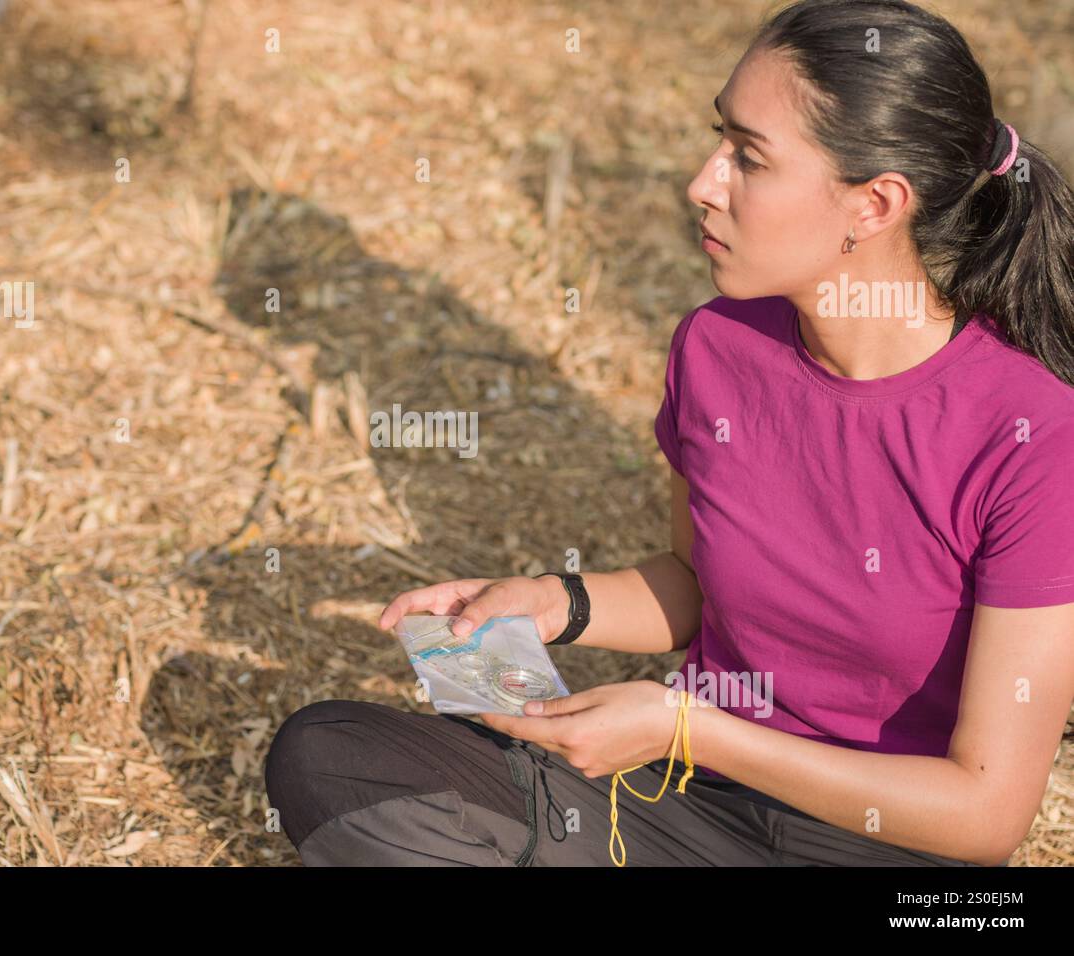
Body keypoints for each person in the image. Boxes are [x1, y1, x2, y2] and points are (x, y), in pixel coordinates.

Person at [264, 0, 1074, 866]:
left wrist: (691, 731)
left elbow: (986, 815)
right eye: (719, 139)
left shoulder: (1034, 433)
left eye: (748, 158)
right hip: (679, 811)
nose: (702, 180)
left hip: (892, 849)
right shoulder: (717, 347)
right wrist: (554, 602)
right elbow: (695, 583)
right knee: (333, 756)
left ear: (873, 205)